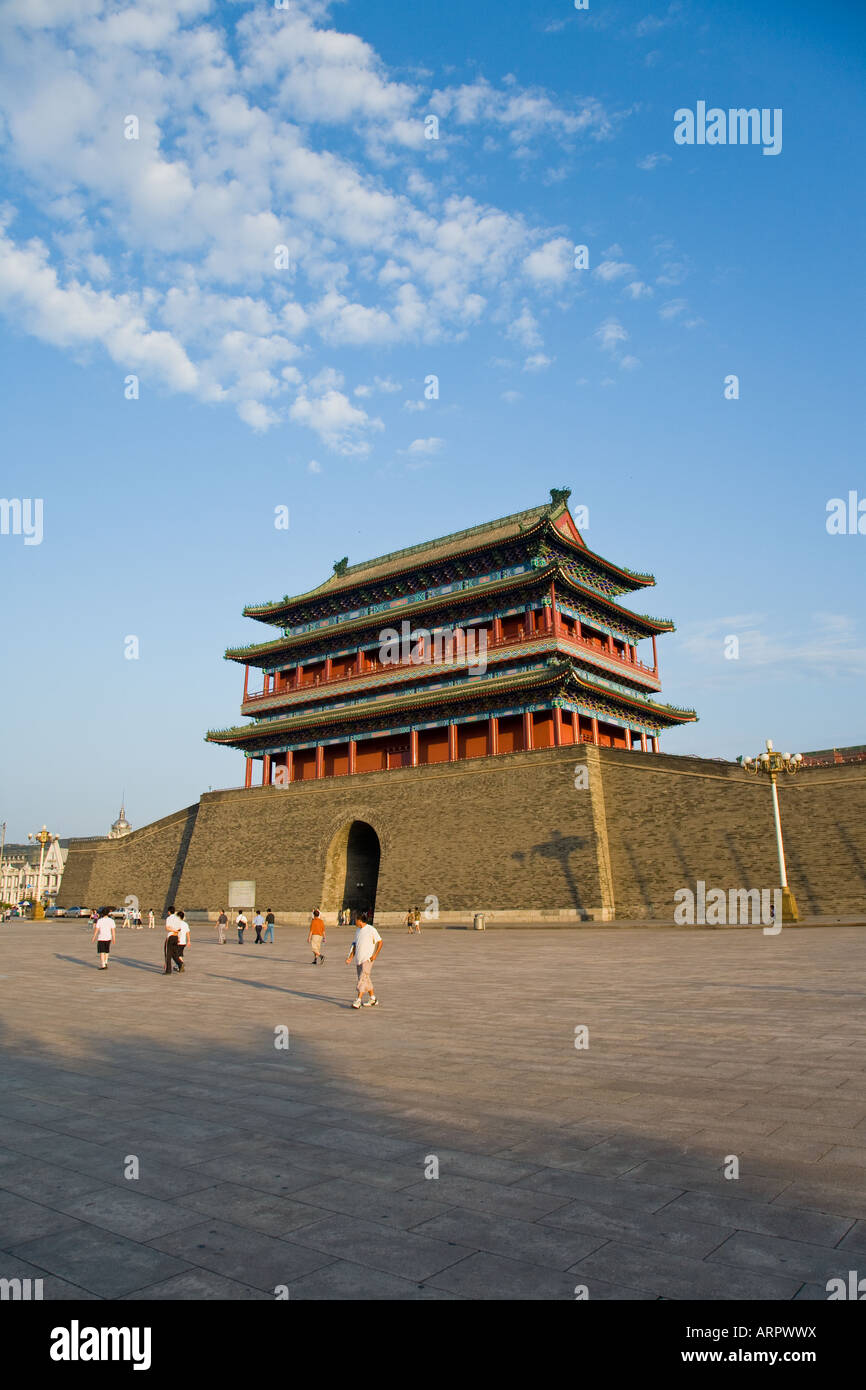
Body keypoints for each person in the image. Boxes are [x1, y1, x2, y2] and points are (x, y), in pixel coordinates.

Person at [346, 913, 382, 1008]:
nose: (355, 922)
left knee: (362, 979)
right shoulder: (358, 931)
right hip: (359, 959)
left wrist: (375, 955)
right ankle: (373, 998)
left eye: (356, 920)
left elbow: (380, 942)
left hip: (368, 959)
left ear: (360, 920)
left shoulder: (371, 929)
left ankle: (358, 1000)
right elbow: (355, 945)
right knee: (365, 979)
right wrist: (350, 957)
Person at [164, 906, 182, 974]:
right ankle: (180, 964)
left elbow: (167, 928)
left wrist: (173, 930)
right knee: (174, 953)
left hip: (171, 936)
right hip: (176, 937)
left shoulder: (168, 918)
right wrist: (179, 938)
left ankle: (168, 970)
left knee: (168, 953)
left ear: (169, 912)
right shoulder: (178, 918)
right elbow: (180, 929)